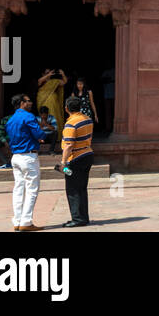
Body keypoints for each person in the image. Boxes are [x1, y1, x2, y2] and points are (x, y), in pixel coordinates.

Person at [4, 93, 44, 231]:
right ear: (22, 102)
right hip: (28, 156)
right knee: (32, 189)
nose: (31, 103)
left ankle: (17, 220)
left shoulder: (10, 120)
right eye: (28, 101)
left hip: (16, 157)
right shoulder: (28, 116)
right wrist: (40, 136)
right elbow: (39, 134)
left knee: (18, 189)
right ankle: (26, 222)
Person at [60, 95, 95, 228]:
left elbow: (69, 145)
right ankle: (83, 217)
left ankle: (77, 218)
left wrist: (63, 162)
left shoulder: (71, 123)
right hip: (87, 154)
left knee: (72, 189)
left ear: (66, 108)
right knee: (81, 188)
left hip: (74, 159)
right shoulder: (87, 119)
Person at [36, 68, 66, 134]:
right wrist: (48, 75)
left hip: (54, 104)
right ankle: (44, 136)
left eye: (50, 73)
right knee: (44, 118)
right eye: (47, 73)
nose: (49, 74)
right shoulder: (41, 81)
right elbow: (39, 81)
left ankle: (55, 136)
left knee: (54, 117)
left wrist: (63, 74)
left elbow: (63, 83)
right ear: (43, 74)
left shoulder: (54, 81)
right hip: (43, 102)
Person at [101, 68, 115, 136]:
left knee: (115, 112)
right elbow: (102, 80)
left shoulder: (116, 70)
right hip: (107, 95)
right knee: (108, 112)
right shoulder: (106, 71)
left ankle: (113, 127)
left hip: (115, 95)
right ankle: (108, 127)